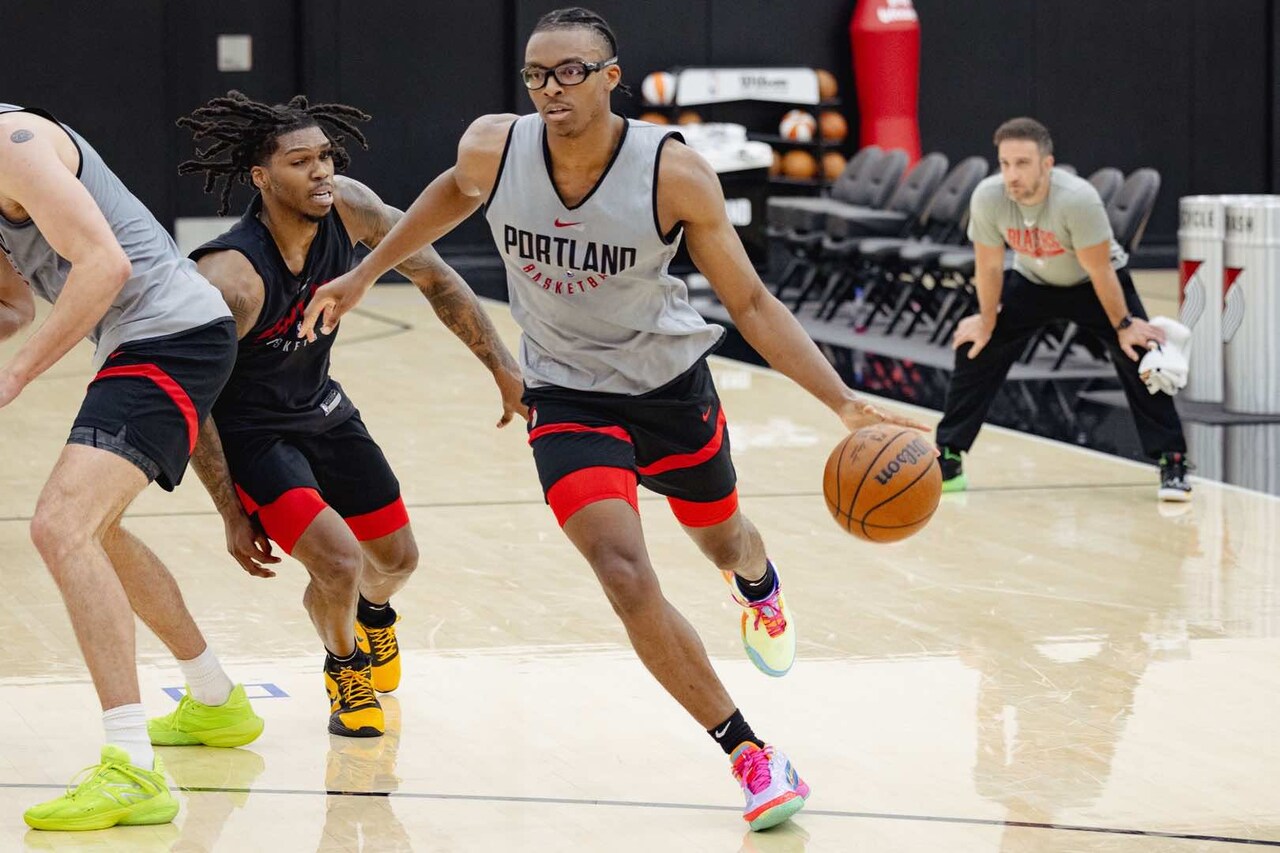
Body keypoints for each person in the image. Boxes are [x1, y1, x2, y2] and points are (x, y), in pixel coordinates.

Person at [298, 7, 928, 830]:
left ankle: (757, 585)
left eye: (568, 72)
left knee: (724, 538)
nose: (548, 87)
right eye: (535, 73)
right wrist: (364, 273)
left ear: (609, 76)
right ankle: (752, 755)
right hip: (564, 395)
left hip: (668, 387)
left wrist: (841, 401)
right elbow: (446, 199)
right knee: (625, 573)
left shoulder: (674, 174)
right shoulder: (495, 145)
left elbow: (749, 301)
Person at [175, 92, 525, 738]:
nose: (321, 172)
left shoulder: (351, 209)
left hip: (323, 408)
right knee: (336, 560)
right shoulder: (234, 280)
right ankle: (345, 666)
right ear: (260, 177)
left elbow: (437, 276)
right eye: (299, 161)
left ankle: (374, 615)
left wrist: (501, 365)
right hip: (256, 436)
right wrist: (230, 511)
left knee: (396, 559)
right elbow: (188, 399)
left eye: (326, 156)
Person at [0, 103, 263, 831]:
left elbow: (105, 266)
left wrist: (14, 377)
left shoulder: (13, 143)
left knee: (60, 527)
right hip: (139, 342)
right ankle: (215, 701)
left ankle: (131, 769)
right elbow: (14, 307)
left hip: (172, 333)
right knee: (97, 532)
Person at [935, 117, 1192, 501]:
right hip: (1034, 282)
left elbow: (1100, 269)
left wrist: (1124, 325)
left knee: (1139, 354)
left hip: (1094, 284)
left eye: (1022, 164)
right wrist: (987, 321)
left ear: (1047, 165)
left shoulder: (1077, 199)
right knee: (976, 346)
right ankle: (949, 458)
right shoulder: (988, 197)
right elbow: (989, 266)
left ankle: (1172, 461)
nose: (1011, 175)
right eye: (1005, 163)